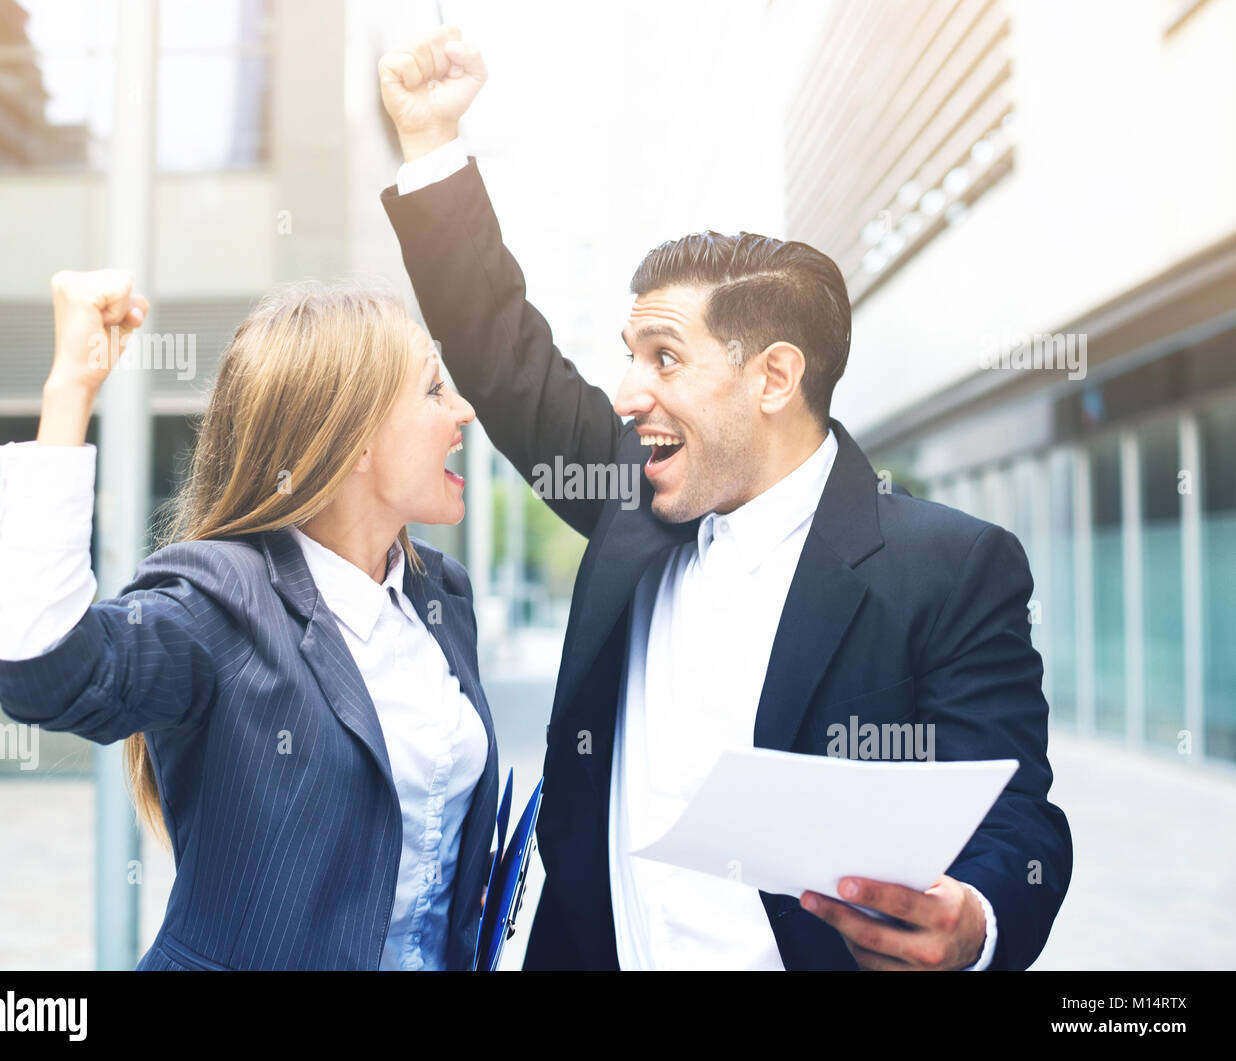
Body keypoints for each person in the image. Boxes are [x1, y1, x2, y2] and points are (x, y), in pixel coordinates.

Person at [376, 26, 1073, 970]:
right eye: (629, 355)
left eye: (664, 356)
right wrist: (432, 147)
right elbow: (505, 358)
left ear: (775, 377)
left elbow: (1015, 816)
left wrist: (975, 922)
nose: (628, 391)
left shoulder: (950, 568)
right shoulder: (634, 495)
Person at [0, 269, 497, 970]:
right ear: (355, 440)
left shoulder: (441, 595)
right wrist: (71, 389)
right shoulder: (221, 599)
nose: (464, 411)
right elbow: (41, 670)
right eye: (435, 389)